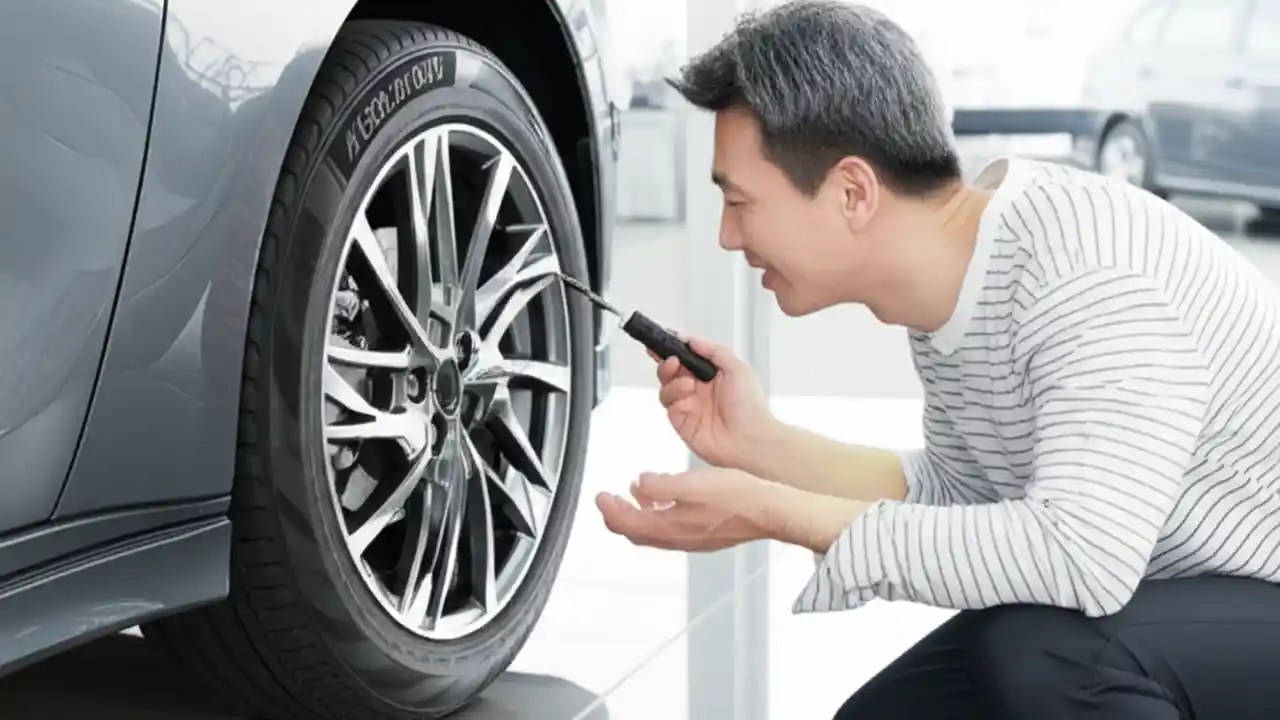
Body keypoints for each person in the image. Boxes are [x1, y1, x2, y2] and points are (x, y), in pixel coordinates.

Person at [593, 1, 1280, 718]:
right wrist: (759, 444)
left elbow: (1080, 555)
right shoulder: (964, 286)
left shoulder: (1084, 271)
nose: (728, 237)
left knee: (1045, 658)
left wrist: (775, 512)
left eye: (740, 202)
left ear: (853, 192)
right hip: (1181, 602)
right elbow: (963, 494)